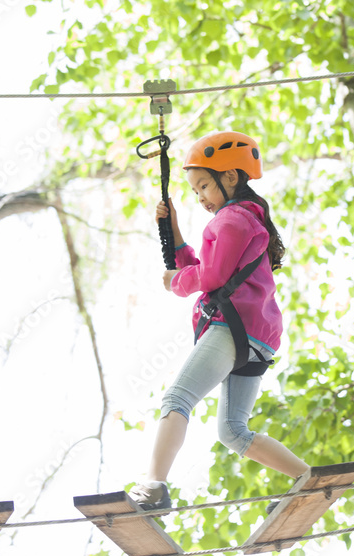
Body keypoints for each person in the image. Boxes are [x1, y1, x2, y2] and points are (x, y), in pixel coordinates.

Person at [129, 131, 309, 511]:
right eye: (195, 191)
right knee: (232, 431)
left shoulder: (232, 219)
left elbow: (208, 277)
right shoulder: (245, 219)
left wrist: (175, 282)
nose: (201, 198)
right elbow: (211, 269)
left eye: (204, 185)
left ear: (231, 177)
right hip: (257, 338)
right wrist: (174, 231)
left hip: (232, 329)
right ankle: (307, 479)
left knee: (177, 398)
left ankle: (153, 488)